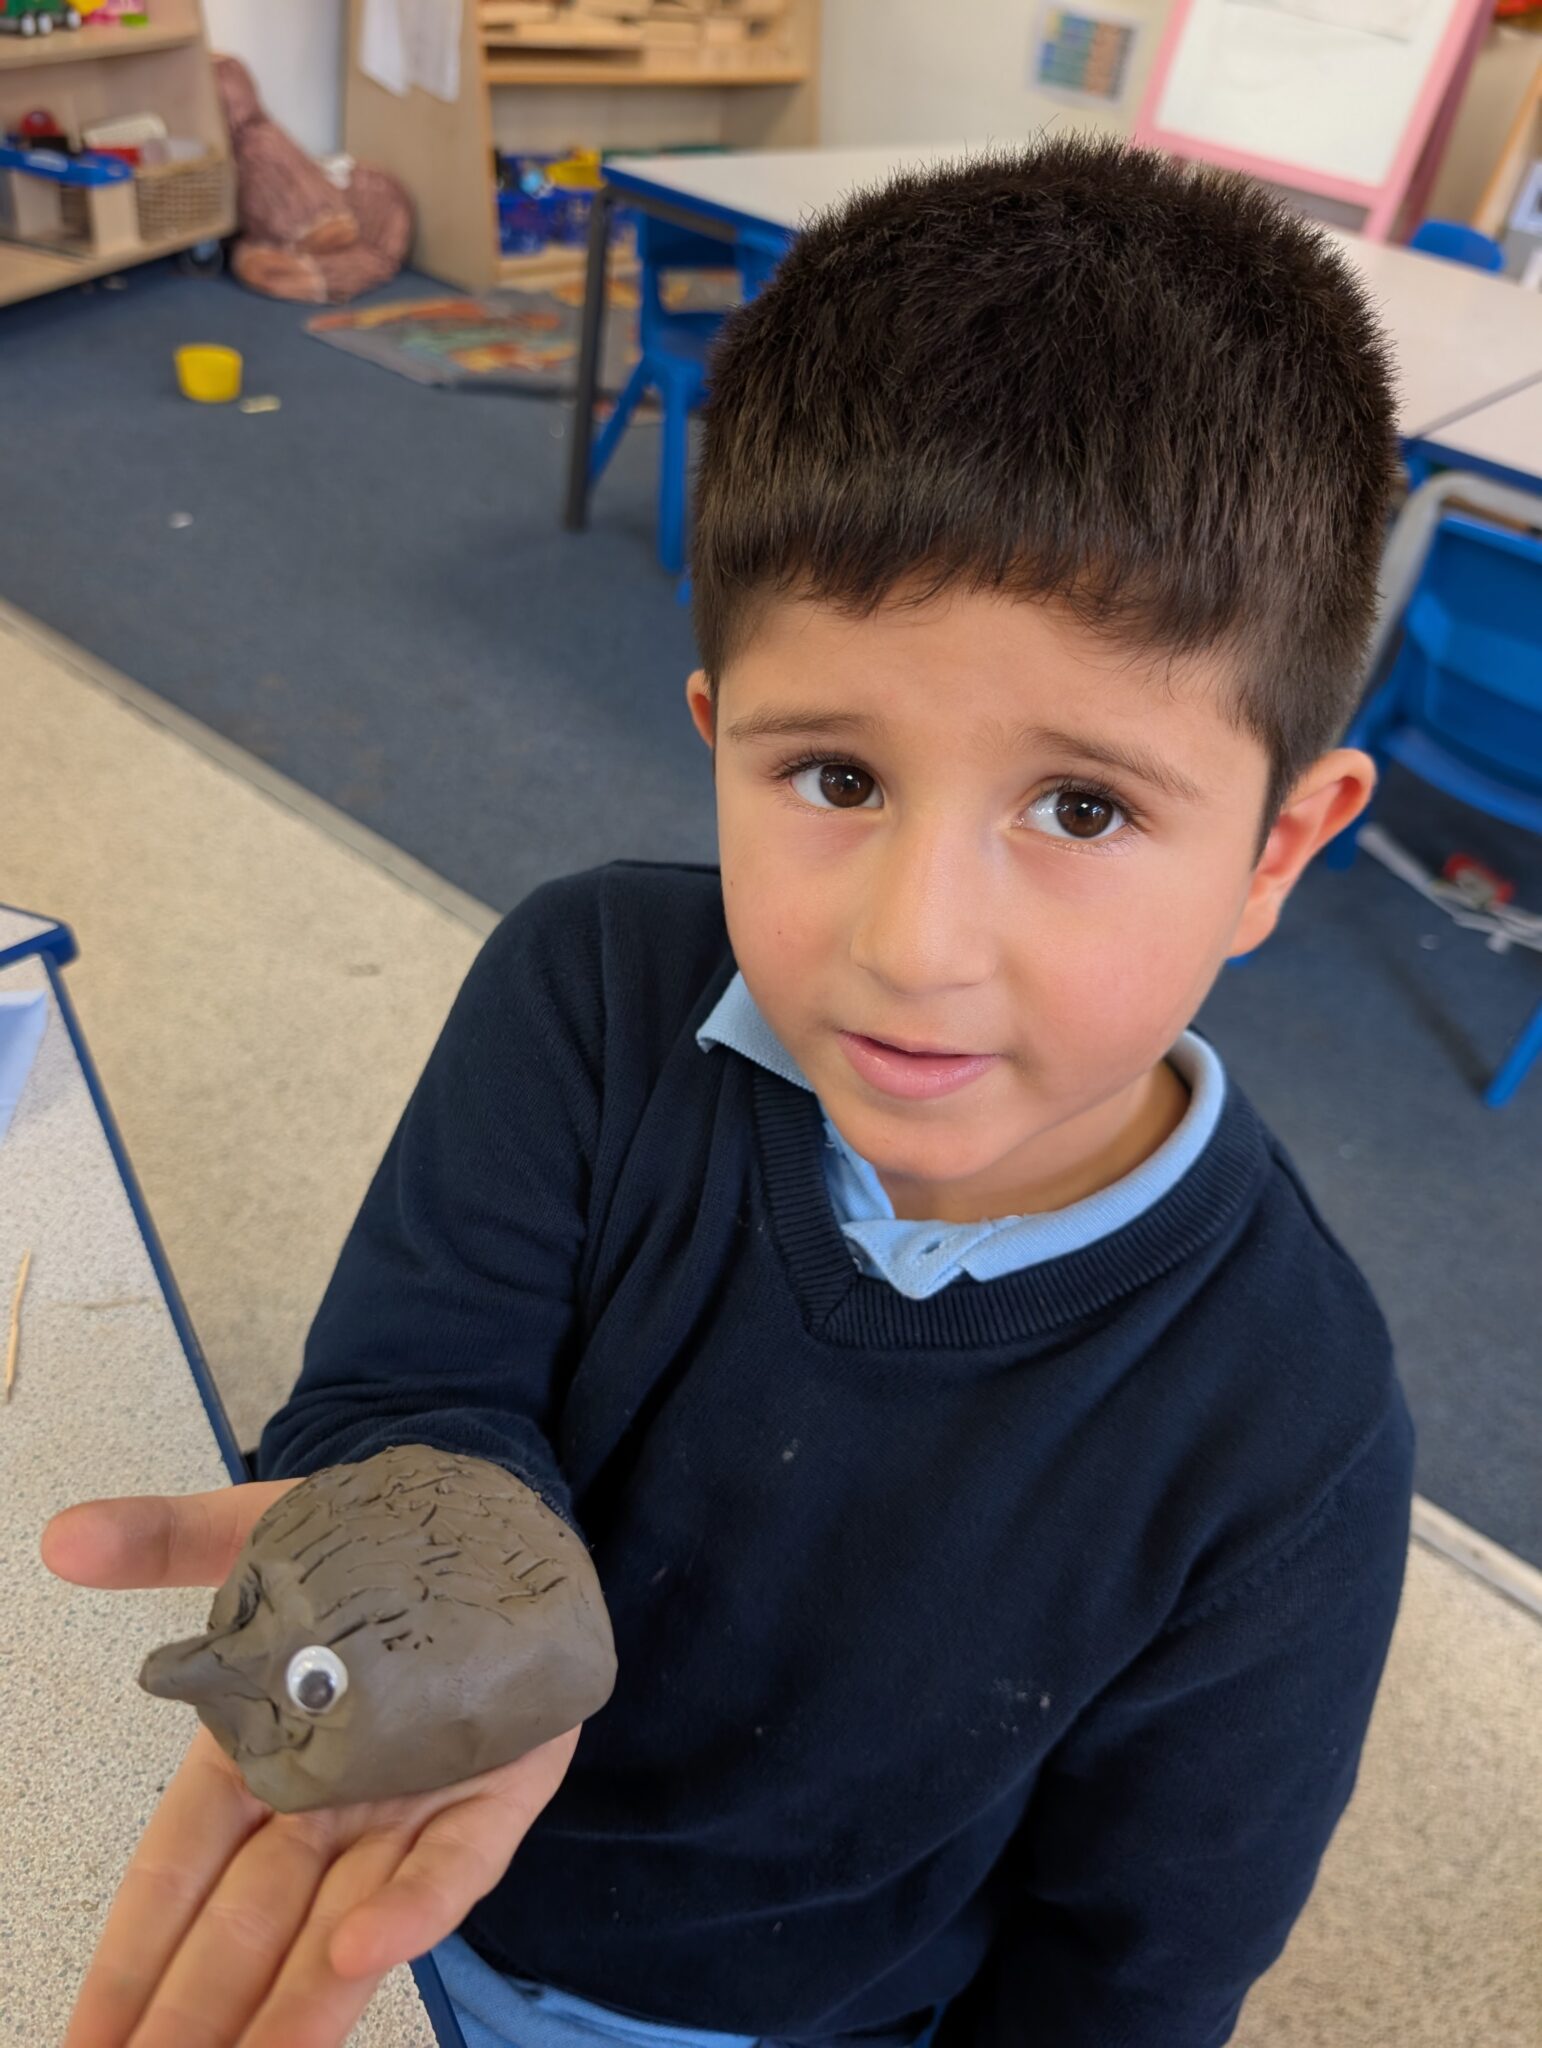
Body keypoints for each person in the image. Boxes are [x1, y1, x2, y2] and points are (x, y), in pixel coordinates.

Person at [41, 137, 1416, 2048]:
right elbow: (397, 1390)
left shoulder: (1292, 1426)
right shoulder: (584, 992)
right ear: (714, 736)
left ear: (1279, 847)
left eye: (1081, 807)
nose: (914, 942)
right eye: (834, 777)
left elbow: (1136, 1967)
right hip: (396, 1906)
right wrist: (430, 1564)